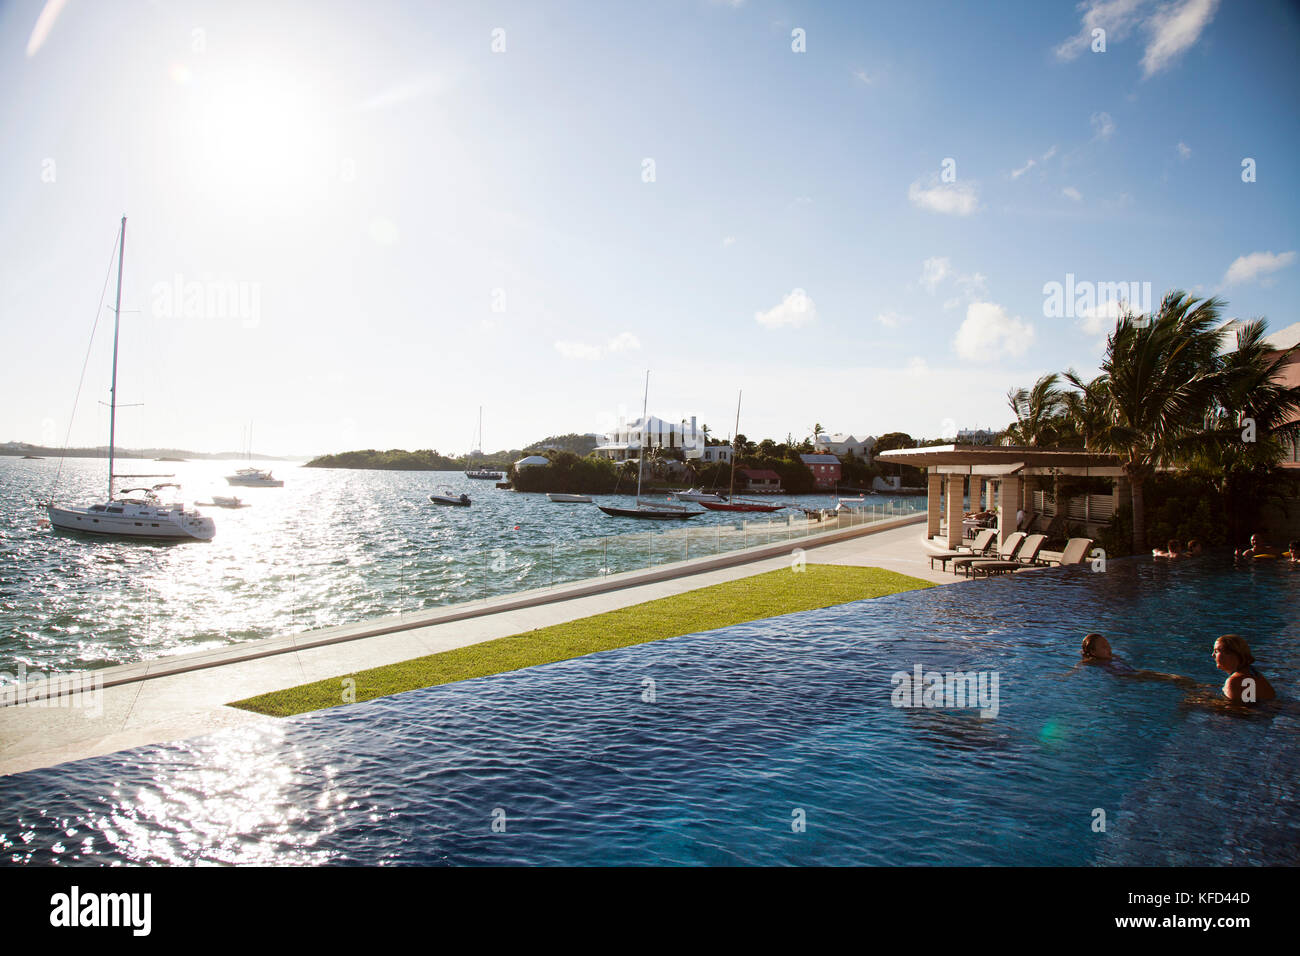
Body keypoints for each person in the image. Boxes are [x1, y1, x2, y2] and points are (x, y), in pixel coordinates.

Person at [1212, 634, 1276, 703]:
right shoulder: (1255, 674)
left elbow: (1236, 711)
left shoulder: (1234, 682)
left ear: (1232, 655)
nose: (1212, 655)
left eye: (1216, 651)